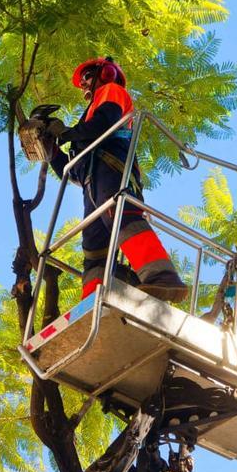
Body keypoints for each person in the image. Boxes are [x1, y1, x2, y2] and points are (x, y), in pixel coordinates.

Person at [48, 56, 188, 302]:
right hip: (92, 182)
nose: (84, 84)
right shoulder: (88, 117)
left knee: (123, 217)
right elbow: (71, 172)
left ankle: (163, 277)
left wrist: (66, 133)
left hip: (112, 169)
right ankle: (93, 301)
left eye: (87, 76)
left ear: (106, 73)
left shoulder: (111, 91)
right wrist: (51, 149)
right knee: (94, 247)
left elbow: (103, 123)